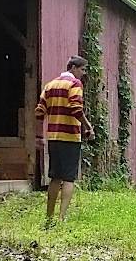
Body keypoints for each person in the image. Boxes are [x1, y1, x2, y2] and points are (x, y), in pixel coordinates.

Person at [35, 56, 95, 225]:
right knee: (68, 178)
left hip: (53, 137)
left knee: (55, 177)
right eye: (82, 69)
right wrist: (88, 125)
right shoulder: (74, 84)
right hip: (69, 137)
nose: (83, 74)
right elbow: (76, 108)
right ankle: (61, 218)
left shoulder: (50, 85)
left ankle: (49, 217)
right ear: (74, 68)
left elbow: (39, 112)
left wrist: (39, 136)